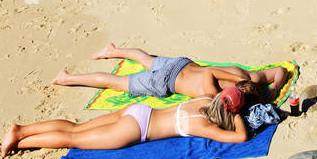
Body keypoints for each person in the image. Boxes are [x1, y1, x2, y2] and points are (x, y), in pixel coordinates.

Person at [0, 83, 251, 157]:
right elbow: (241, 137)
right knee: (73, 139)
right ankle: (20, 142)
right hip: (137, 129)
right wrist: (237, 115)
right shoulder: (203, 125)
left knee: (76, 128)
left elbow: (218, 93)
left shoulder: (204, 98)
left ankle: (22, 130)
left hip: (140, 111)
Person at [51, 43, 287, 101]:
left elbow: (279, 70)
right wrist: (273, 92)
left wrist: (274, 85)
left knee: (146, 59)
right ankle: (66, 79)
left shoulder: (246, 75)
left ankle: (113, 50)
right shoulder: (215, 93)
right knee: (116, 83)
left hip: (182, 64)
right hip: (166, 81)